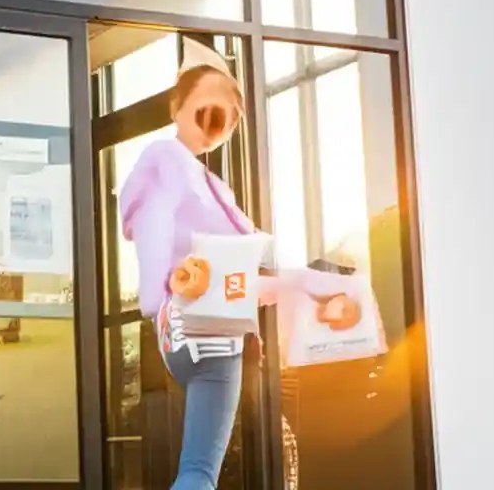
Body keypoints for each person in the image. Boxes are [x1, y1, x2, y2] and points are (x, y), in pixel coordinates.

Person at [119, 39, 360, 490]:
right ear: (177, 107)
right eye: (205, 109)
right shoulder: (169, 162)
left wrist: (299, 284)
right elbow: (159, 221)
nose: (215, 122)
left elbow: (252, 268)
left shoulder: (205, 183)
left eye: (226, 116)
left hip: (184, 334)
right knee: (198, 473)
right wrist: (154, 293)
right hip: (207, 331)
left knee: (195, 469)